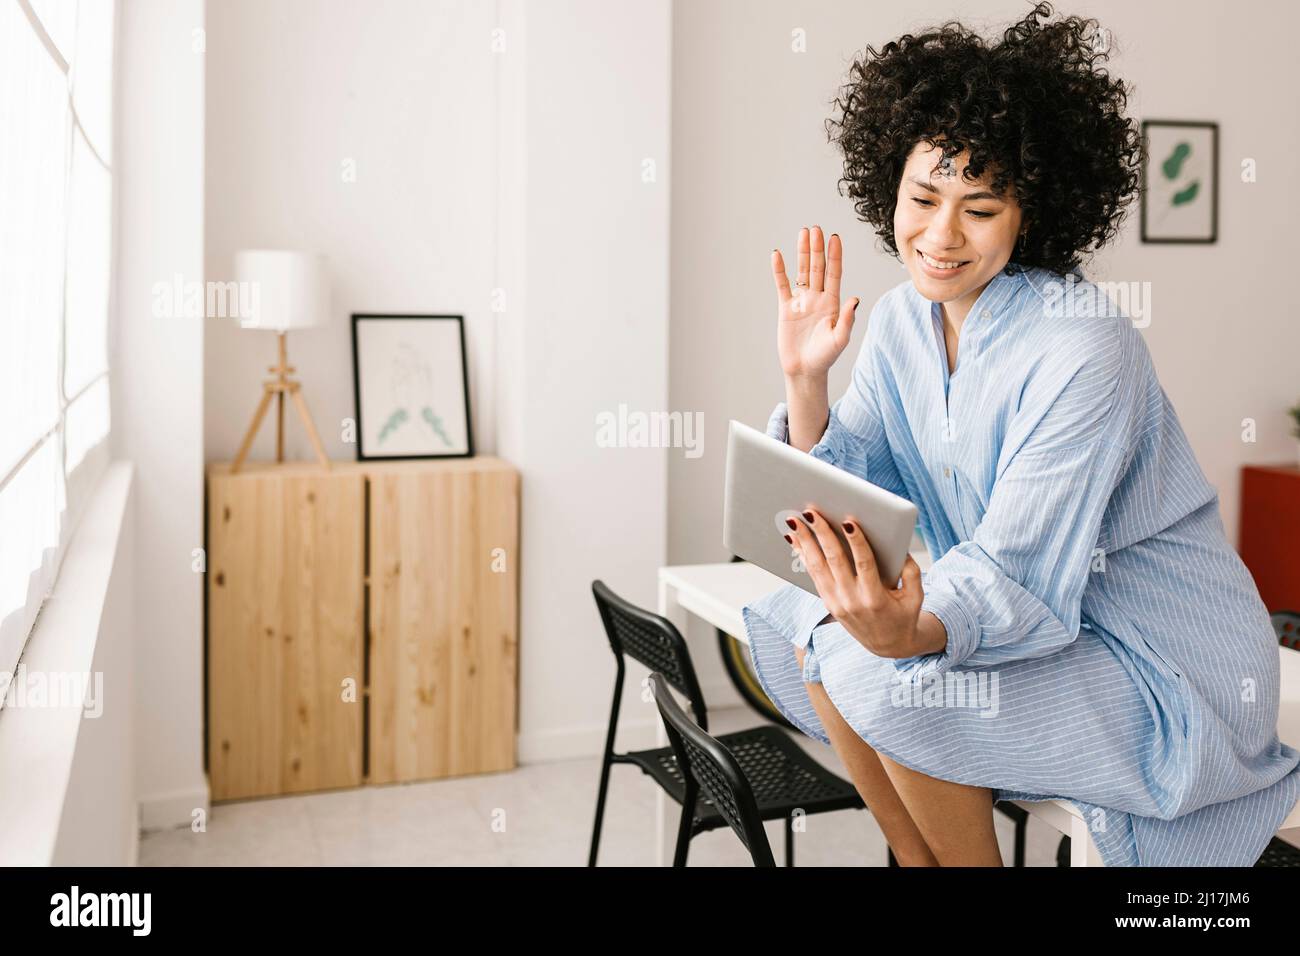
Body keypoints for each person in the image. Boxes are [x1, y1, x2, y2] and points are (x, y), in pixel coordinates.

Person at [743, 1, 1300, 866]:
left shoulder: (1086, 345)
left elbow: (1020, 572)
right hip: (1051, 627)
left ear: (1031, 212)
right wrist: (804, 378)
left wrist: (910, 633)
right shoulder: (898, 323)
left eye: (980, 208)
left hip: (1163, 660)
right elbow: (852, 485)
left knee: (892, 685)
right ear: (888, 184)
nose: (939, 235)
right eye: (923, 198)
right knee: (804, 630)